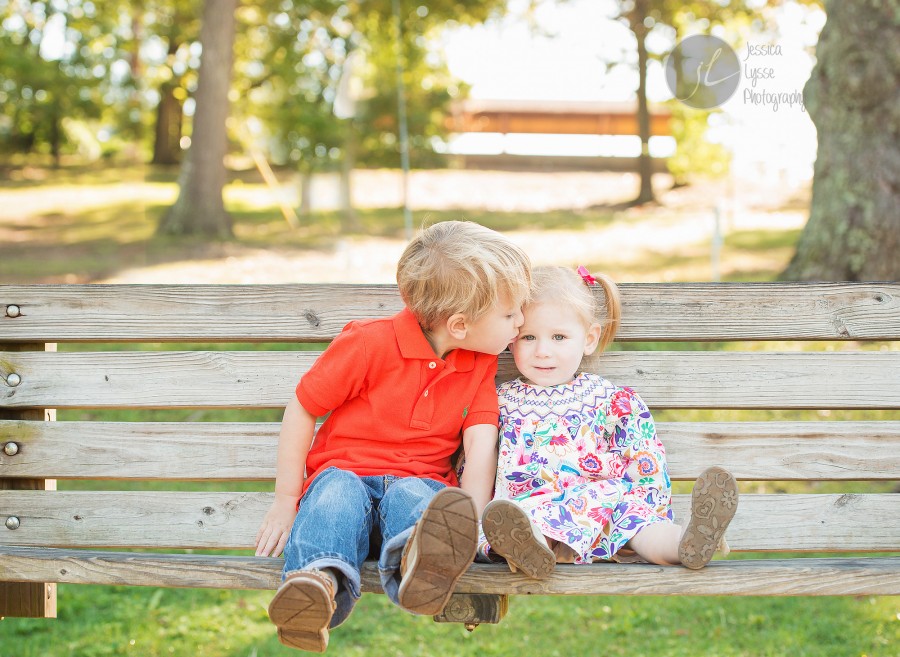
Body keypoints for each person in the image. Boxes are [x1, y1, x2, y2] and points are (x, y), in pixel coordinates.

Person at [254, 221, 531, 652]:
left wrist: (472, 521)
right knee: (335, 497)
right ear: (459, 324)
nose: (521, 321)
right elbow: (304, 408)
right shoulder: (368, 344)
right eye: (511, 314)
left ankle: (420, 568)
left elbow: (481, 445)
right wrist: (286, 498)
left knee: (419, 501)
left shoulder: (479, 364)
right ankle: (315, 591)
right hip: (344, 471)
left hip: (418, 482)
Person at [478, 265, 738, 578]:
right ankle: (532, 553)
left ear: (588, 339)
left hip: (601, 505)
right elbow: (479, 459)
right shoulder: (500, 401)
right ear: (511, 339)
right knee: (519, 524)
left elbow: (641, 454)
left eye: (559, 337)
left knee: (638, 521)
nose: (542, 351)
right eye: (529, 337)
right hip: (528, 510)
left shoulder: (606, 398)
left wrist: (648, 503)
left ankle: (686, 542)